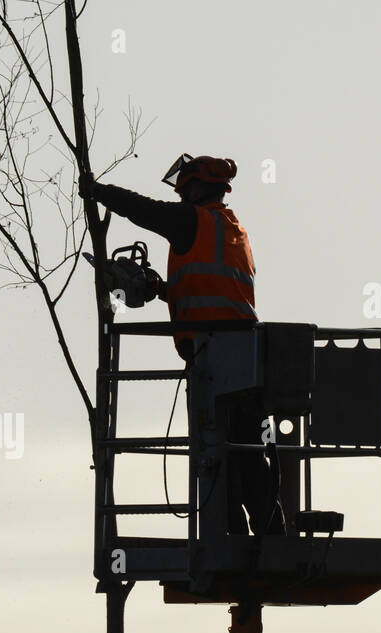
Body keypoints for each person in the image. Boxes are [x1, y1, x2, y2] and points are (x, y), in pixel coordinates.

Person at [80, 155, 283, 535]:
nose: (181, 195)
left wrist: (98, 192)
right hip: (243, 353)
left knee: (215, 452)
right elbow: (215, 291)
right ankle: (271, 534)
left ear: (201, 187)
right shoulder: (231, 227)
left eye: (186, 188)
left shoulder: (193, 220)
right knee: (248, 452)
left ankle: (230, 538)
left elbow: (144, 210)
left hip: (215, 358)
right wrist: (162, 291)